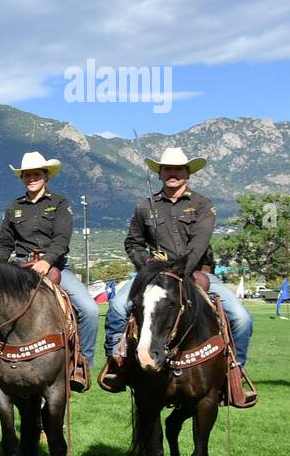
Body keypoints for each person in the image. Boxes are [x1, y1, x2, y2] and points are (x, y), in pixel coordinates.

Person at [100, 147, 253, 390]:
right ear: (160, 173)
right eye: (167, 169)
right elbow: (132, 242)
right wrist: (145, 264)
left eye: (178, 169)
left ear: (188, 173)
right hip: (152, 276)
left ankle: (234, 372)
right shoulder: (144, 206)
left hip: (196, 273)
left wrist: (180, 270)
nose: (173, 173)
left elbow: (199, 243)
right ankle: (117, 363)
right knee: (118, 307)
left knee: (242, 319)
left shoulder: (204, 205)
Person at [0, 151, 97, 389]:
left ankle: (80, 365)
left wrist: (48, 260)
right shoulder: (14, 207)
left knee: (90, 310)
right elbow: (5, 243)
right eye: (28, 175)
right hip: (19, 268)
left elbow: (62, 238)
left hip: (55, 267)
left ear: (46, 176)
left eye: (37, 174)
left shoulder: (60, 203)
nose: (32, 178)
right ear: (22, 178)